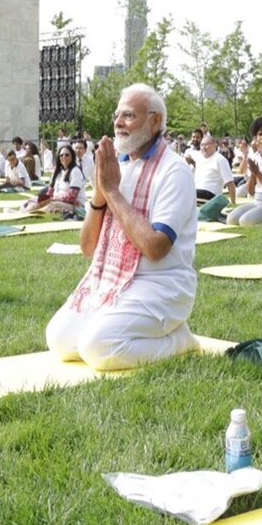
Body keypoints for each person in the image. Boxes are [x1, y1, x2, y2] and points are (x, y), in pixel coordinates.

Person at [46, 84, 198, 371]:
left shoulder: (174, 171)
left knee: (98, 347)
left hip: (161, 283)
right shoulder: (118, 164)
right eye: (117, 115)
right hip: (111, 280)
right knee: (59, 340)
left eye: (128, 116)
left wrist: (113, 191)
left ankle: (179, 340)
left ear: (155, 121)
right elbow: (89, 248)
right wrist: (101, 193)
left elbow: (156, 248)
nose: (117, 123)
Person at [23, 142, 86, 217]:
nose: (64, 157)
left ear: (72, 156)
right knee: (32, 202)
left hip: (74, 205)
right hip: (56, 200)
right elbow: (50, 192)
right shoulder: (58, 172)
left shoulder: (75, 171)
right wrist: (39, 199)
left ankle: (32, 215)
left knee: (53, 205)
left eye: (67, 155)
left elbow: (71, 197)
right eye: (61, 155)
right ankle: (24, 213)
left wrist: (53, 199)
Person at [191, 134, 236, 205]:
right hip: (196, 193)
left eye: (206, 145)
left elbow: (230, 183)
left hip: (211, 196)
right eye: (202, 145)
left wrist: (233, 203)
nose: (203, 147)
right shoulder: (199, 159)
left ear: (214, 145)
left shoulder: (220, 160)